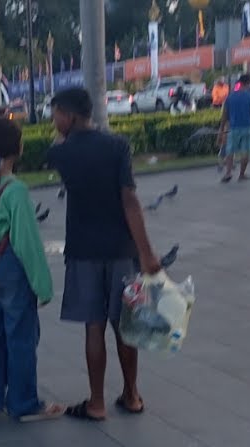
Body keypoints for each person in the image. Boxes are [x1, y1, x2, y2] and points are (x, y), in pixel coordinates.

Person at [46, 87, 162, 422]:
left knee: (93, 327)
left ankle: (96, 403)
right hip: (122, 250)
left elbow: (57, 147)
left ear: (69, 116)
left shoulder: (60, 153)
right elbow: (130, 201)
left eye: (56, 115)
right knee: (125, 326)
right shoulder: (117, 146)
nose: (54, 122)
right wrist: (147, 253)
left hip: (83, 251)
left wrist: (64, 139)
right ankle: (132, 395)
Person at [0, 121, 64, 422]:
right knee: (20, 336)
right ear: (18, 148)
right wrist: (43, 286)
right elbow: (27, 243)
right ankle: (23, 403)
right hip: (10, 267)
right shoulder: (16, 189)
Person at [220, 73, 250, 183]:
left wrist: (221, 129)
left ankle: (228, 173)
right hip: (247, 127)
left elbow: (225, 115)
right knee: (245, 151)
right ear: (249, 83)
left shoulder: (230, 97)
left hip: (233, 127)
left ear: (239, 83)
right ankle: (242, 174)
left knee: (230, 151)